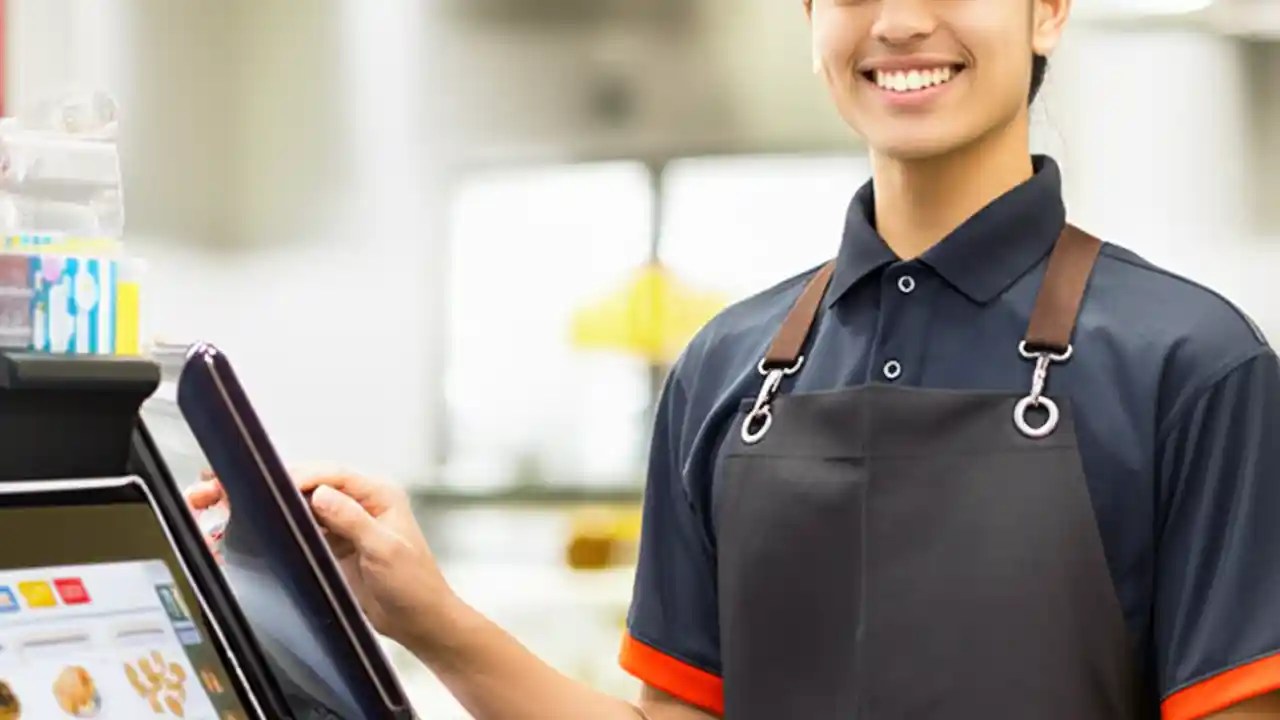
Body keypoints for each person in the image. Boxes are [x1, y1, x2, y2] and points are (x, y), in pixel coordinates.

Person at [188, 0, 1280, 717]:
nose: (900, 21)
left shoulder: (1191, 365)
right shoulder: (728, 367)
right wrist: (424, 616)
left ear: (1047, 10)